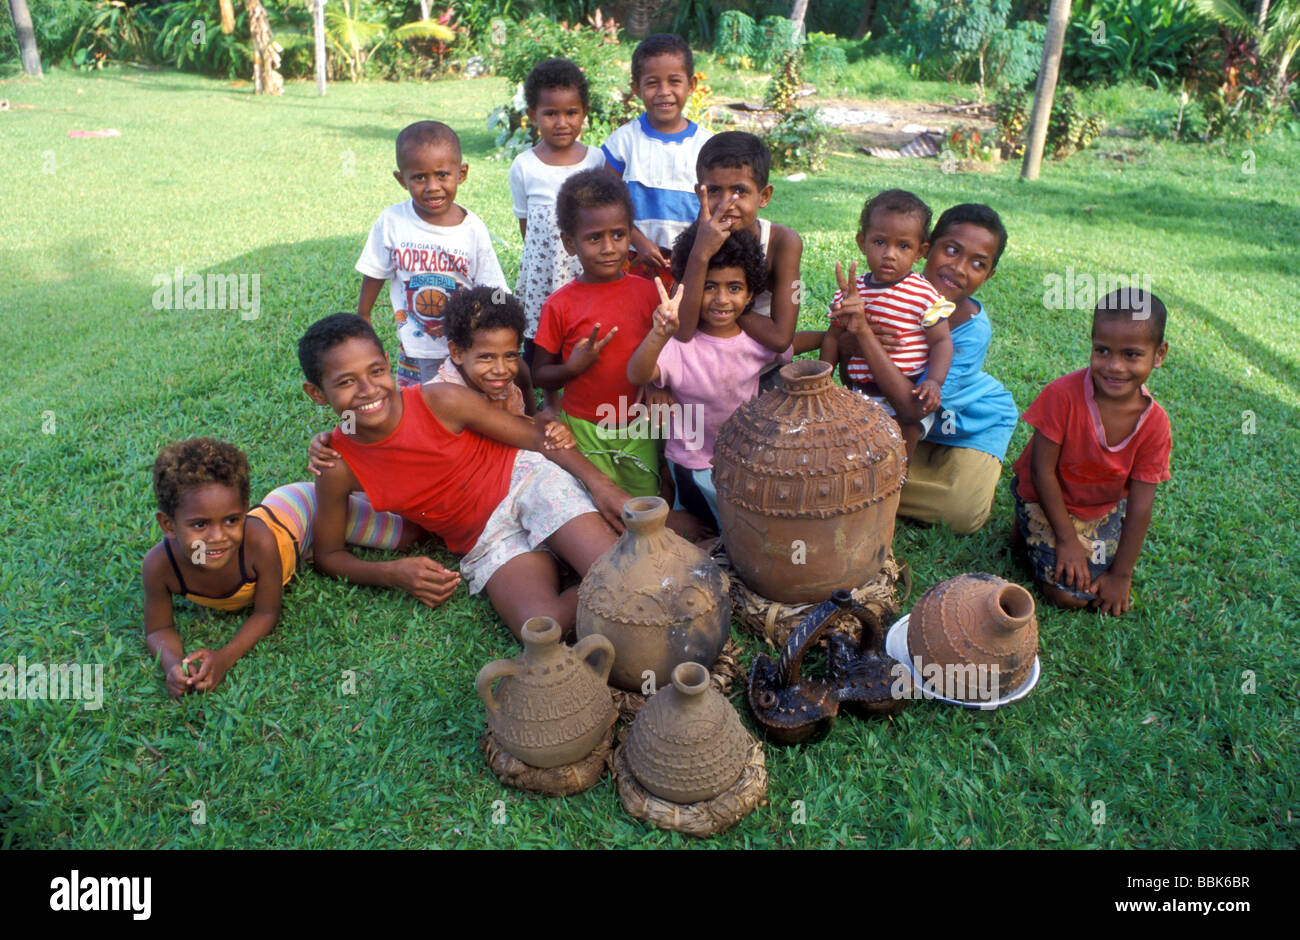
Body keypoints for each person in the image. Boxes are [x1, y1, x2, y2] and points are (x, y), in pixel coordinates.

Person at [298, 313, 629, 636]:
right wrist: (391, 573)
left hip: (526, 483)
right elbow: (329, 554)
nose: (368, 389)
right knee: (543, 629)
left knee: (620, 576)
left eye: (376, 371)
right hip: (485, 538)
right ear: (316, 393)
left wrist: (602, 487)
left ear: (387, 362)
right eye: (346, 381)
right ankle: (581, 564)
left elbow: (536, 439)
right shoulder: (336, 465)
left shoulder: (440, 400)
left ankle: (612, 551)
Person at [142, 438, 413, 697]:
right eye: (200, 524)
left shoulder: (259, 543)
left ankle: (363, 478)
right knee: (375, 513)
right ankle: (359, 493)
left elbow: (266, 613)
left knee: (409, 535)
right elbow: (158, 629)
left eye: (232, 520)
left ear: (245, 512)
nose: (218, 537)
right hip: (294, 538)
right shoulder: (159, 566)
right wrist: (173, 666)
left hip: (305, 507)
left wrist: (223, 658)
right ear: (168, 525)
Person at [835, 204, 1017, 534]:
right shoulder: (892, 292)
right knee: (839, 465)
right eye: (951, 250)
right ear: (926, 248)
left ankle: (876, 484)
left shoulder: (973, 332)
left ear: (988, 276)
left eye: (978, 264)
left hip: (967, 425)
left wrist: (863, 337)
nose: (960, 268)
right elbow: (852, 374)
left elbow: (912, 408)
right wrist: (850, 341)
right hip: (900, 421)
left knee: (961, 514)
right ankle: (878, 479)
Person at [1009, 289, 1171, 614]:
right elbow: (1042, 472)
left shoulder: (1155, 424)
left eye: (1131, 355)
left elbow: (1139, 507)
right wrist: (1067, 540)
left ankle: (1034, 541)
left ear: (1159, 354)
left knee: (1096, 585)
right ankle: (1024, 533)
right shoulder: (1062, 396)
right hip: (1043, 496)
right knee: (1070, 595)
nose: (1114, 366)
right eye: (1103, 350)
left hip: (1100, 508)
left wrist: (1121, 575)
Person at [626, 226, 791, 530]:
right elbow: (637, 373)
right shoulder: (680, 346)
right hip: (692, 462)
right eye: (710, 286)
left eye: (734, 287)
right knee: (720, 531)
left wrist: (835, 333)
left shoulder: (755, 341)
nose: (721, 299)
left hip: (739, 460)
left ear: (751, 293)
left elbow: (791, 346)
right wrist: (659, 334)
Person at [532, 170, 662, 498]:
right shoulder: (558, 305)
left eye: (618, 235)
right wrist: (574, 367)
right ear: (569, 243)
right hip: (583, 426)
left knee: (644, 496)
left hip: (639, 422)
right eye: (594, 238)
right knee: (594, 499)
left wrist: (659, 383)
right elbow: (539, 374)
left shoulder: (648, 293)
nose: (608, 248)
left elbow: (669, 350)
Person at [355, 120, 509, 388]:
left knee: (466, 406)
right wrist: (363, 316)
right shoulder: (391, 221)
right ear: (401, 179)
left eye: (442, 175)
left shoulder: (471, 229)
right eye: (419, 177)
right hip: (416, 347)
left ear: (461, 174)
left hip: (466, 346)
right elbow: (374, 270)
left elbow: (494, 288)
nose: (432, 187)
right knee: (419, 406)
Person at [821, 189, 955, 462]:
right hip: (860, 394)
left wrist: (934, 380)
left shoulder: (922, 293)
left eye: (903, 246)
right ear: (862, 242)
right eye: (880, 242)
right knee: (851, 457)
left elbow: (941, 341)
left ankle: (896, 492)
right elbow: (833, 337)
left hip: (906, 393)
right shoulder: (851, 291)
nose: (890, 254)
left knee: (895, 461)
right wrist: (823, 379)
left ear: (921, 251)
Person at [670, 131, 802, 391]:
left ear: (763, 196)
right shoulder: (691, 241)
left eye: (740, 191)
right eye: (715, 191)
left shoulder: (782, 243)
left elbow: (780, 338)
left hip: (761, 369)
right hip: (700, 369)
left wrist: (720, 310)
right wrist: (700, 254)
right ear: (700, 193)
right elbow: (683, 330)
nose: (726, 203)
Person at [509, 59, 607, 366]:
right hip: (543, 272)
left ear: (584, 113)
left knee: (587, 329)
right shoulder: (524, 165)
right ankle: (544, 395)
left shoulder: (596, 159)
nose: (561, 122)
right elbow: (525, 225)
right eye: (550, 113)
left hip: (585, 268)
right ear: (532, 115)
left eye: (571, 113)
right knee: (540, 343)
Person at [601, 33, 712, 283]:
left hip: (691, 260)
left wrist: (693, 250)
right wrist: (637, 241)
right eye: (652, 83)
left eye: (674, 81)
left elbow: (714, 205)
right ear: (635, 89)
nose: (664, 92)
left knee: (686, 320)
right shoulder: (623, 143)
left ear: (692, 85)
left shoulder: (707, 146)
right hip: (633, 257)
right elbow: (607, 203)